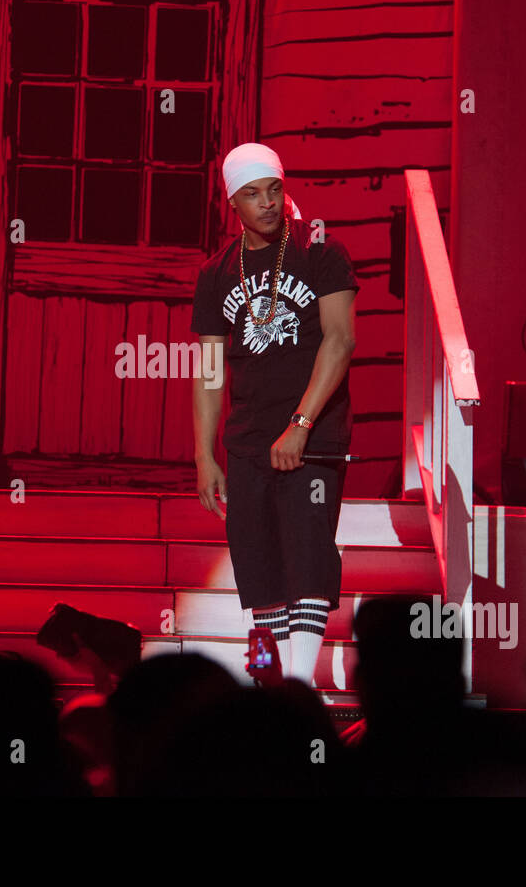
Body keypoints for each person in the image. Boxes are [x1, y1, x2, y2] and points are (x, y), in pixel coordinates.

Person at [190, 142, 358, 685]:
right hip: (248, 441)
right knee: (258, 568)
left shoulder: (319, 251)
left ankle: (302, 685)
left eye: (274, 189)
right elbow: (211, 371)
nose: (266, 202)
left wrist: (301, 426)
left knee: (307, 559)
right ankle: (270, 683)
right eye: (252, 194)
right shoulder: (217, 272)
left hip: (313, 436)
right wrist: (204, 454)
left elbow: (340, 342)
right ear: (232, 203)